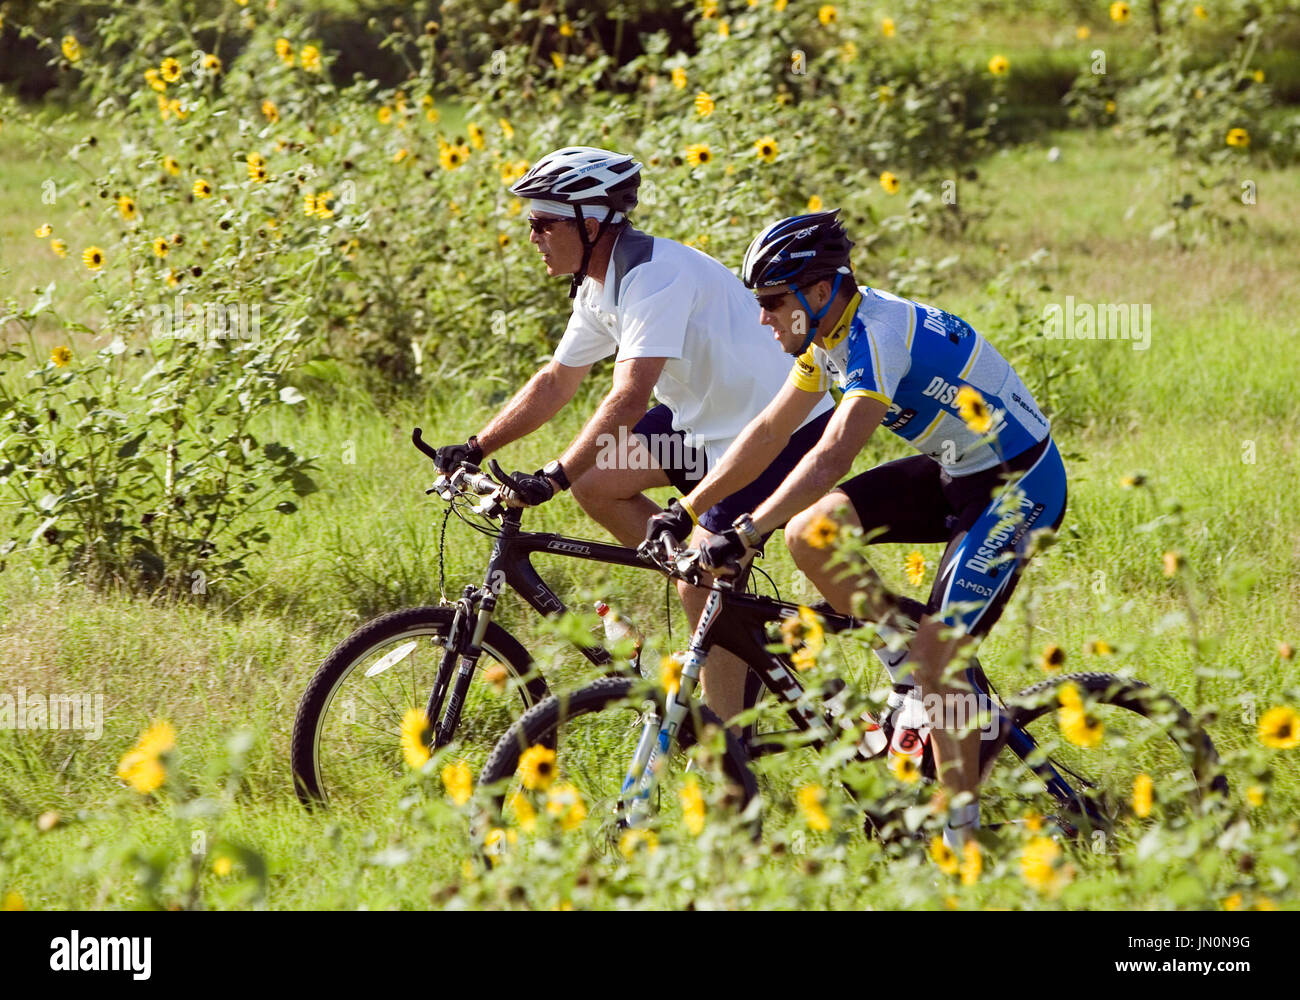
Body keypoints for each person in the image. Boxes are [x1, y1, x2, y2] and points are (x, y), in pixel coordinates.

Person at [645, 210, 1067, 848]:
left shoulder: (874, 335)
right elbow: (769, 431)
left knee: (940, 657)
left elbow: (831, 456)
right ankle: (904, 663)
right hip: (958, 468)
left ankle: (960, 842)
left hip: (1020, 483)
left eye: (771, 303)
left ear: (818, 292)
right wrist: (692, 507)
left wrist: (749, 529)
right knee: (811, 533)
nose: (762, 319)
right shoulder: (824, 335)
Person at [431, 147, 832, 720]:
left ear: (590, 224)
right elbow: (557, 381)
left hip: (774, 424)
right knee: (600, 486)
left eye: (543, 223)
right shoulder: (600, 282)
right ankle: (728, 624)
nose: (532, 236)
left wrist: (553, 476)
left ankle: (724, 748)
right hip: (702, 419)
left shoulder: (654, 277)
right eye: (529, 224)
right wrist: (476, 447)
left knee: (698, 581)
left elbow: (629, 395)